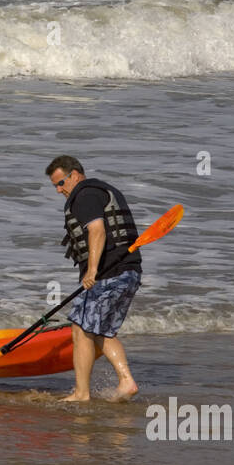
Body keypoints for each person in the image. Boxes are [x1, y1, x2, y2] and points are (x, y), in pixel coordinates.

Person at [45, 155, 142, 401]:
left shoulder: (84, 195)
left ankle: (81, 393)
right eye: (55, 185)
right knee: (101, 331)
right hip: (128, 272)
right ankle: (126, 381)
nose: (59, 190)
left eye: (61, 183)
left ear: (75, 175)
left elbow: (97, 231)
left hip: (109, 275)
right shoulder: (103, 190)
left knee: (81, 327)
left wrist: (92, 270)